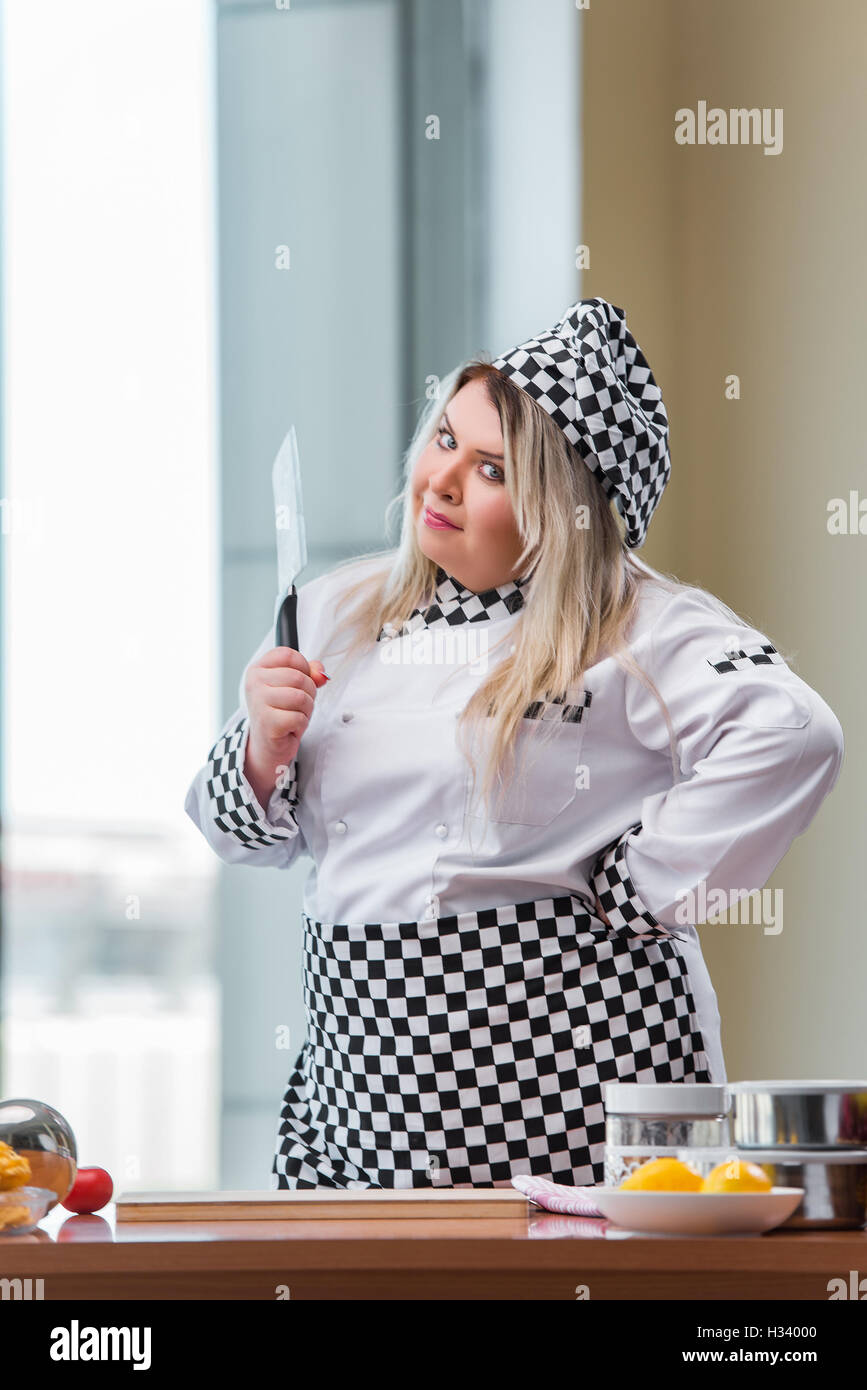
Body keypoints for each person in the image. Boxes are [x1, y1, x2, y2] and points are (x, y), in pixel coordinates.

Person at [184, 297, 844, 1190]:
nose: (441, 479)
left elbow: (794, 733)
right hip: (359, 1104)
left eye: (491, 468)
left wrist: (640, 889)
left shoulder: (639, 624)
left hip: (579, 1102)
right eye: (445, 439)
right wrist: (262, 747)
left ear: (567, 511)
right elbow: (239, 835)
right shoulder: (335, 609)